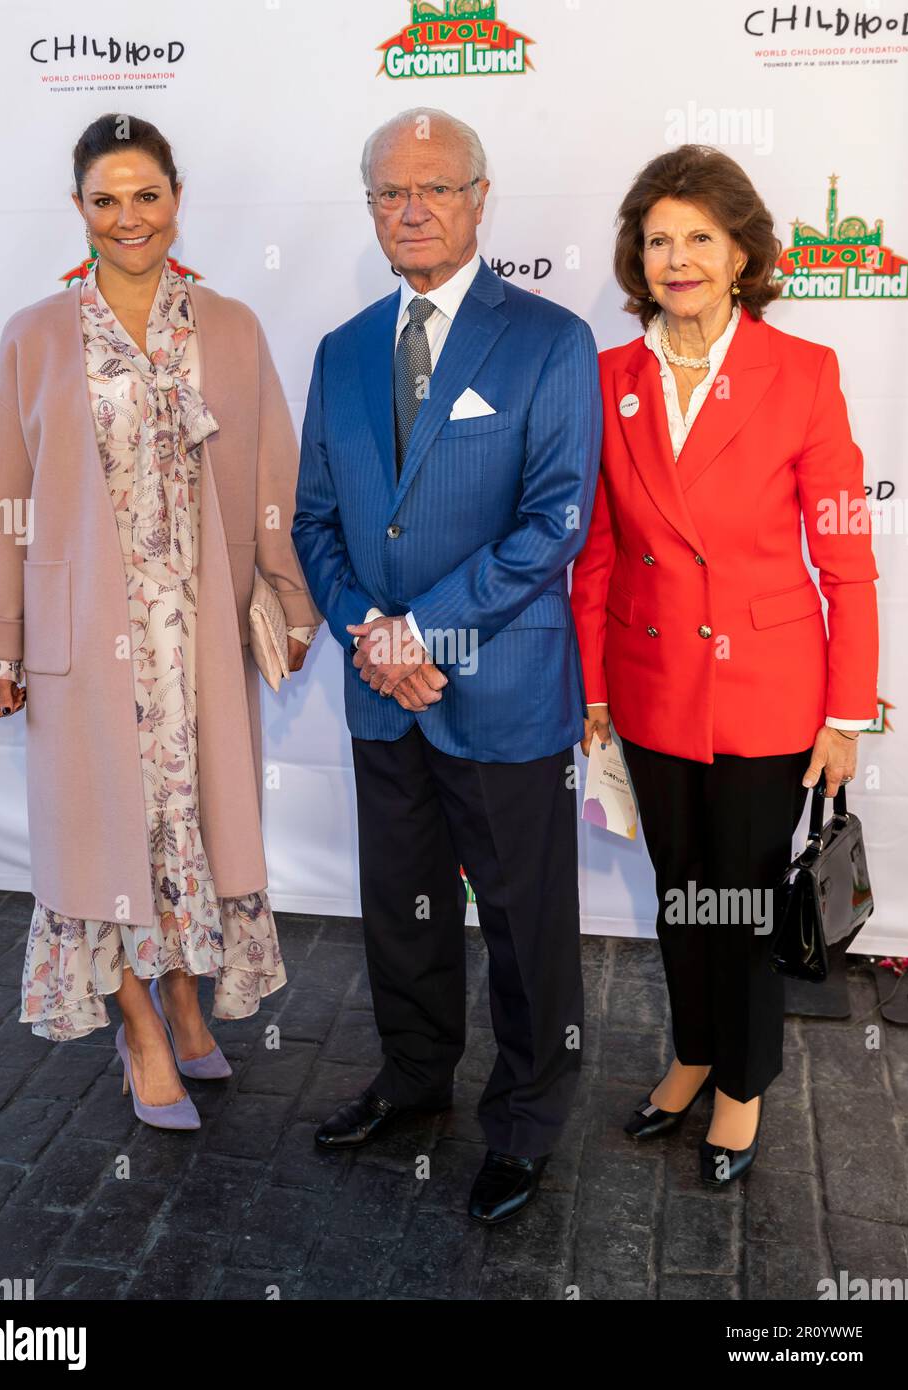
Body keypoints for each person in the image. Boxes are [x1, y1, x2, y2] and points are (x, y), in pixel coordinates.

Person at [0, 114, 321, 1129]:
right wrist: (1, 636)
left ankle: (183, 996)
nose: (129, 217)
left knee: (189, 827)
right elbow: (3, 494)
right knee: (96, 836)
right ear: (78, 208)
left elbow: (273, 480)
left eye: (146, 195)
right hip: (80, 637)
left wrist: (289, 599)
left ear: (177, 197)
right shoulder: (35, 333)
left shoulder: (233, 325)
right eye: (105, 199)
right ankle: (143, 1030)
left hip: (197, 634)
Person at [292, 107, 602, 1225]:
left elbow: (555, 519)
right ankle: (416, 1080)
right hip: (385, 695)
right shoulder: (339, 348)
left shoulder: (550, 339)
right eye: (388, 191)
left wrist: (421, 632)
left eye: (434, 186)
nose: (410, 206)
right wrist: (369, 634)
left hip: (501, 689)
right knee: (403, 909)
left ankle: (524, 1120)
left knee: (525, 923)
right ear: (370, 208)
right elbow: (314, 522)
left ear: (480, 197)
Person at [570, 144, 878, 1185]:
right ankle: (692, 1050)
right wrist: (595, 690)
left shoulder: (804, 373)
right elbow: (598, 548)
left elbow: (844, 552)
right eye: (659, 239)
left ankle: (741, 1081)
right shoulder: (607, 378)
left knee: (740, 899)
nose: (678, 257)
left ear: (743, 252)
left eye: (700, 237)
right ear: (638, 258)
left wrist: (846, 712)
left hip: (769, 693)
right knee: (678, 891)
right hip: (649, 689)